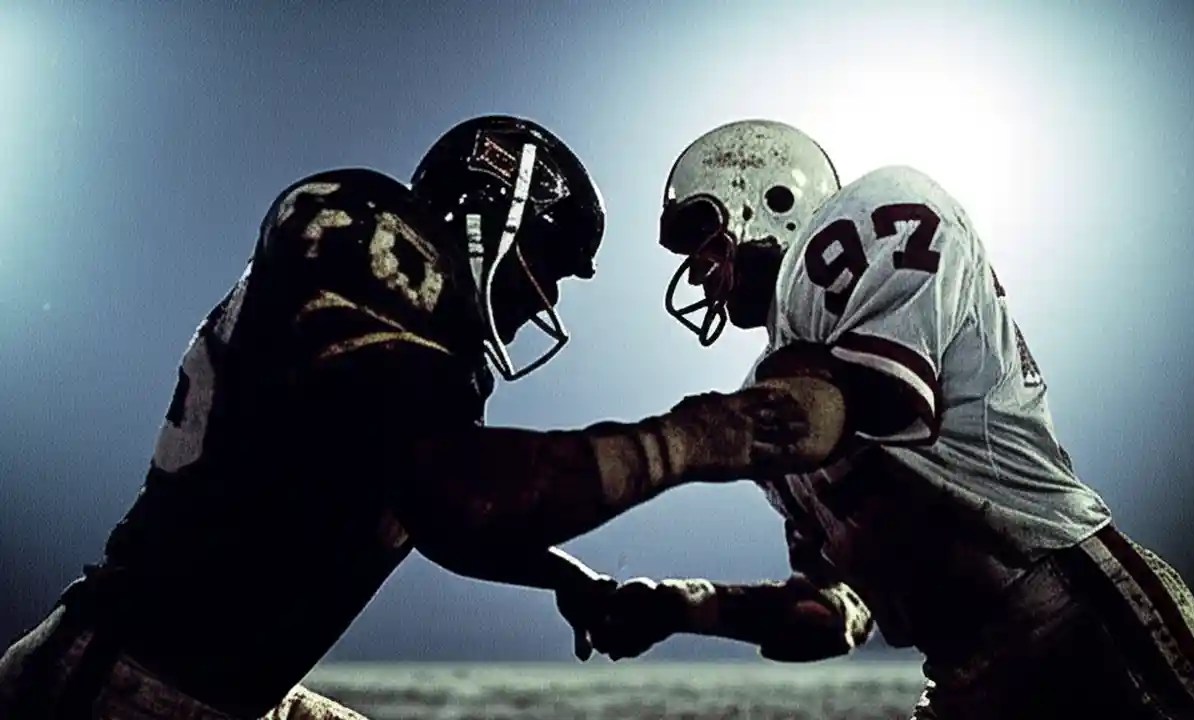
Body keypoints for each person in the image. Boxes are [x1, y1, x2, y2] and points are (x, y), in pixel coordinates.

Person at [0, 115, 829, 719]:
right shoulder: (364, 228)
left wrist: (566, 577)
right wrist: (686, 440)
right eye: (551, 262)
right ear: (496, 216)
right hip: (125, 682)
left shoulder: (431, 360)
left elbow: (425, 506)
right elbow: (455, 495)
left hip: (204, 686)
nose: (544, 296)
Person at [580, 119, 1194, 719]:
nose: (700, 275)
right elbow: (829, 616)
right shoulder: (767, 395)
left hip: (1073, 620)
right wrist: (675, 605)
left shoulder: (870, 221)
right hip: (962, 672)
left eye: (704, 236)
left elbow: (883, 396)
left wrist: (672, 447)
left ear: (772, 201)